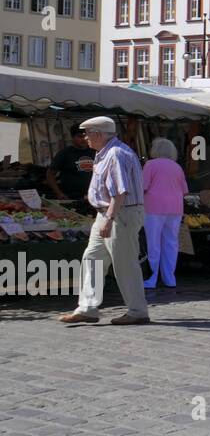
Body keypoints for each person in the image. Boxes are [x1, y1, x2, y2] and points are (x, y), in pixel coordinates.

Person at [58, 117, 150, 325]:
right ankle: (88, 308)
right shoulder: (106, 152)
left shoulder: (116, 154)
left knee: (124, 263)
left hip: (120, 213)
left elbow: (120, 192)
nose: (85, 137)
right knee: (92, 257)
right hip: (108, 212)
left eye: (87, 133)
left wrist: (109, 218)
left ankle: (137, 311)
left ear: (99, 134)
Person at [141, 138, 187, 290]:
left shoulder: (150, 164)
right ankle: (169, 278)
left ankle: (151, 278)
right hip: (175, 208)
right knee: (171, 243)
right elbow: (184, 190)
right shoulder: (177, 167)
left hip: (154, 207)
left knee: (153, 243)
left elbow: (143, 187)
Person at [46, 128, 96, 210]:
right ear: (72, 138)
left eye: (85, 136)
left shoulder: (95, 152)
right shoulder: (65, 153)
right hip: (71, 198)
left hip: (92, 198)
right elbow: (50, 174)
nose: (83, 139)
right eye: (79, 136)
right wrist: (59, 193)